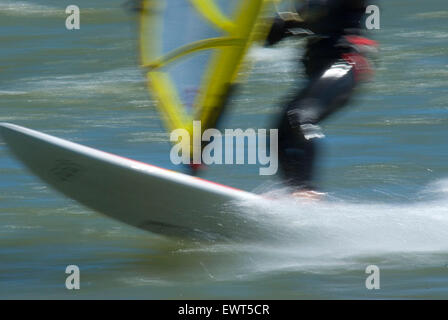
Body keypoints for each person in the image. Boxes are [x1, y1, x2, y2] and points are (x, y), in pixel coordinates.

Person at [265, 0, 378, 198]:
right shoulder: (305, 10)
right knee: (277, 132)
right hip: (324, 70)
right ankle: (294, 190)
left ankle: (308, 191)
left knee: (300, 118)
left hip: (345, 65)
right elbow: (274, 34)